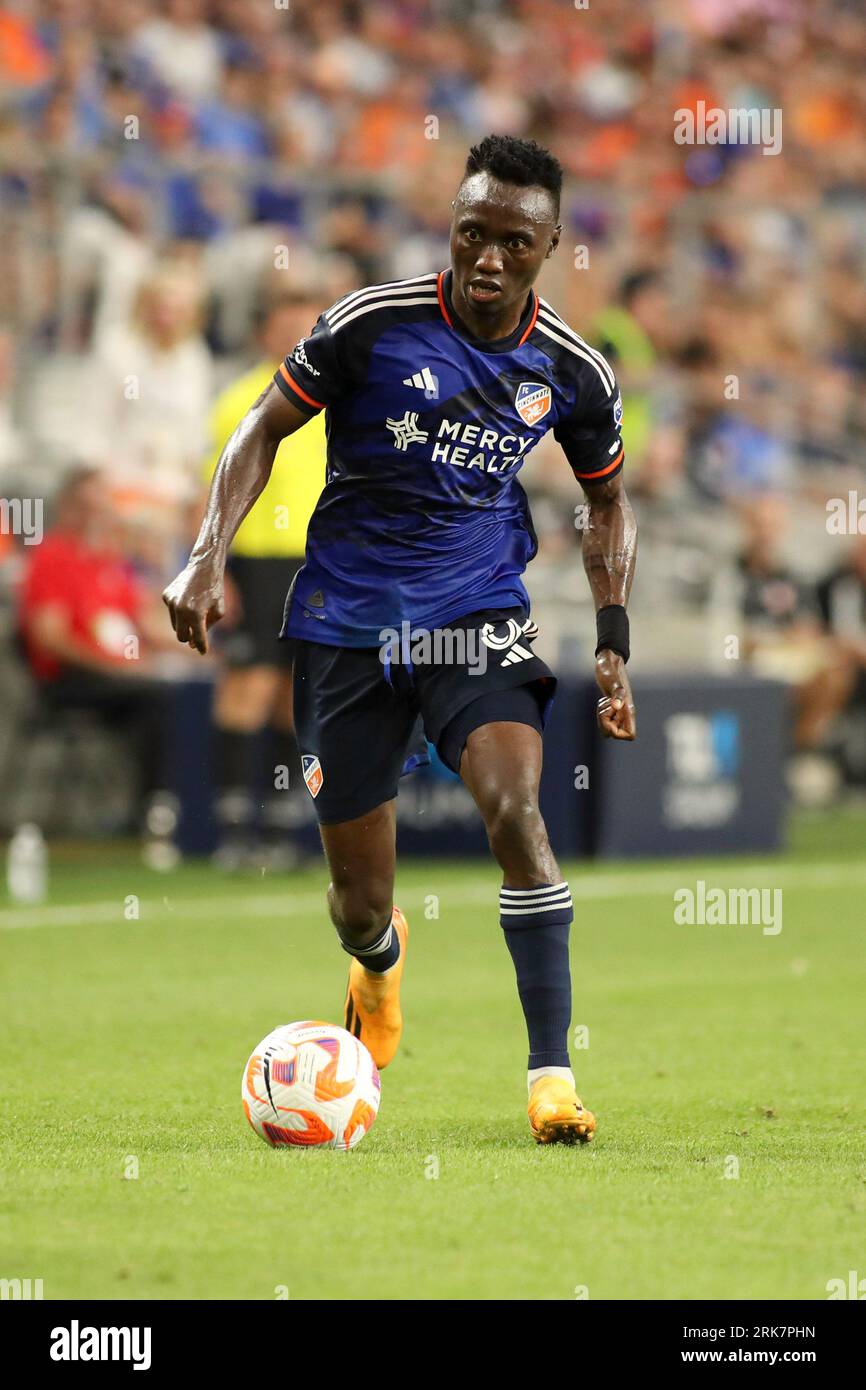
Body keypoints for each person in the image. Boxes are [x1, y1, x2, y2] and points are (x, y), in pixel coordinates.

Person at [164, 135, 637, 1145]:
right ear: (452, 230)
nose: (488, 258)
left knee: (515, 812)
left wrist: (611, 637)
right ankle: (376, 964)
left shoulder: (571, 370)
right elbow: (260, 427)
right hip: (345, 625)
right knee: (353, 901)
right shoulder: (370, 325)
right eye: (472, 233)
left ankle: (549, 1075)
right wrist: (207, 554)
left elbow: (607, 504)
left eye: (514, 241)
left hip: (474, 615)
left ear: (548, 247)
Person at [205, 286, 327, 868]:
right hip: (256, 561)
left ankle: (279, 832)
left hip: (317, 564)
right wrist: (215, 567)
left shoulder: (334, 399)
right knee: (246, 688)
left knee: (292, 694)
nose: (296, 339)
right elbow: (217, 489)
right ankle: (232, 829)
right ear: (265, 332)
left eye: (306, 328)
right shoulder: (240, 399)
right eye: (286, 327)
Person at [18, 466, 178, 828]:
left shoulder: (110, 562)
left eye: (100, 504)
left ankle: (193, 806)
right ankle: (148, 812)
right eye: (86, 504)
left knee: (191, 691)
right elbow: (51, 639)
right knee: (159, 699)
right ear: (67, 506)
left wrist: (200, 655)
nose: (96, 514)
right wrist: (115, 667)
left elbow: (143, 628)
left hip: (123, 675)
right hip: (70, 680)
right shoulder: (52, 557)